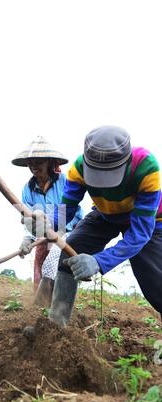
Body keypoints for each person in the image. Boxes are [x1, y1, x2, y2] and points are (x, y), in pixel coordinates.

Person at [25, 125, 162, 332]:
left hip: (149, 220)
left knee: (154, 282)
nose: (106, 186)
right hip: (105, 215)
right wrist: (47, 223)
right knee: (68, 254)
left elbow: (139, 234)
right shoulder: (78, 169)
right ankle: (55, 327)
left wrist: (99, 261)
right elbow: (65, 212)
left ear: (126, 164)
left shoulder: (146, 168)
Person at [12, 136, 83, 307]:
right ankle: (40, 309)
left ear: (50, 162)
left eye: (39, 162)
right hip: (43, 237)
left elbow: (72, 211)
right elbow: (30, 220)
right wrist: (27, 240)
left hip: (68, 232)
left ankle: (57, 311)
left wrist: (57, 232)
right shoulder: (27, 190)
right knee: (39, 270)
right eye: (30, 162)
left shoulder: (65, 182)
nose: (33, 166)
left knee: (53, 266)